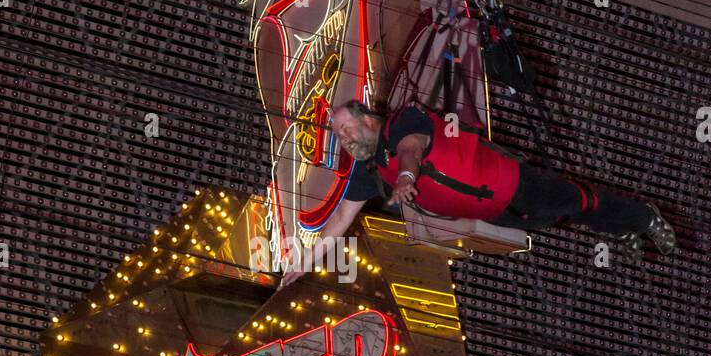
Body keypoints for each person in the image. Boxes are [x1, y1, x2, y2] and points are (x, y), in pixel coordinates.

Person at [282, 100, 675, 282]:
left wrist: (405, 179)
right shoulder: (369, 169)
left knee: (579, 201)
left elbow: (412, 148)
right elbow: (340, 219)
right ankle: (624, 226)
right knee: (561, 217)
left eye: (346, 128)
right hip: (496, 210)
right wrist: (302, 265)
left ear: (368, 118)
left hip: (510, 181)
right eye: (337, 134)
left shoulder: (402, 120)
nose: (344, 137)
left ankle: (643, 217)